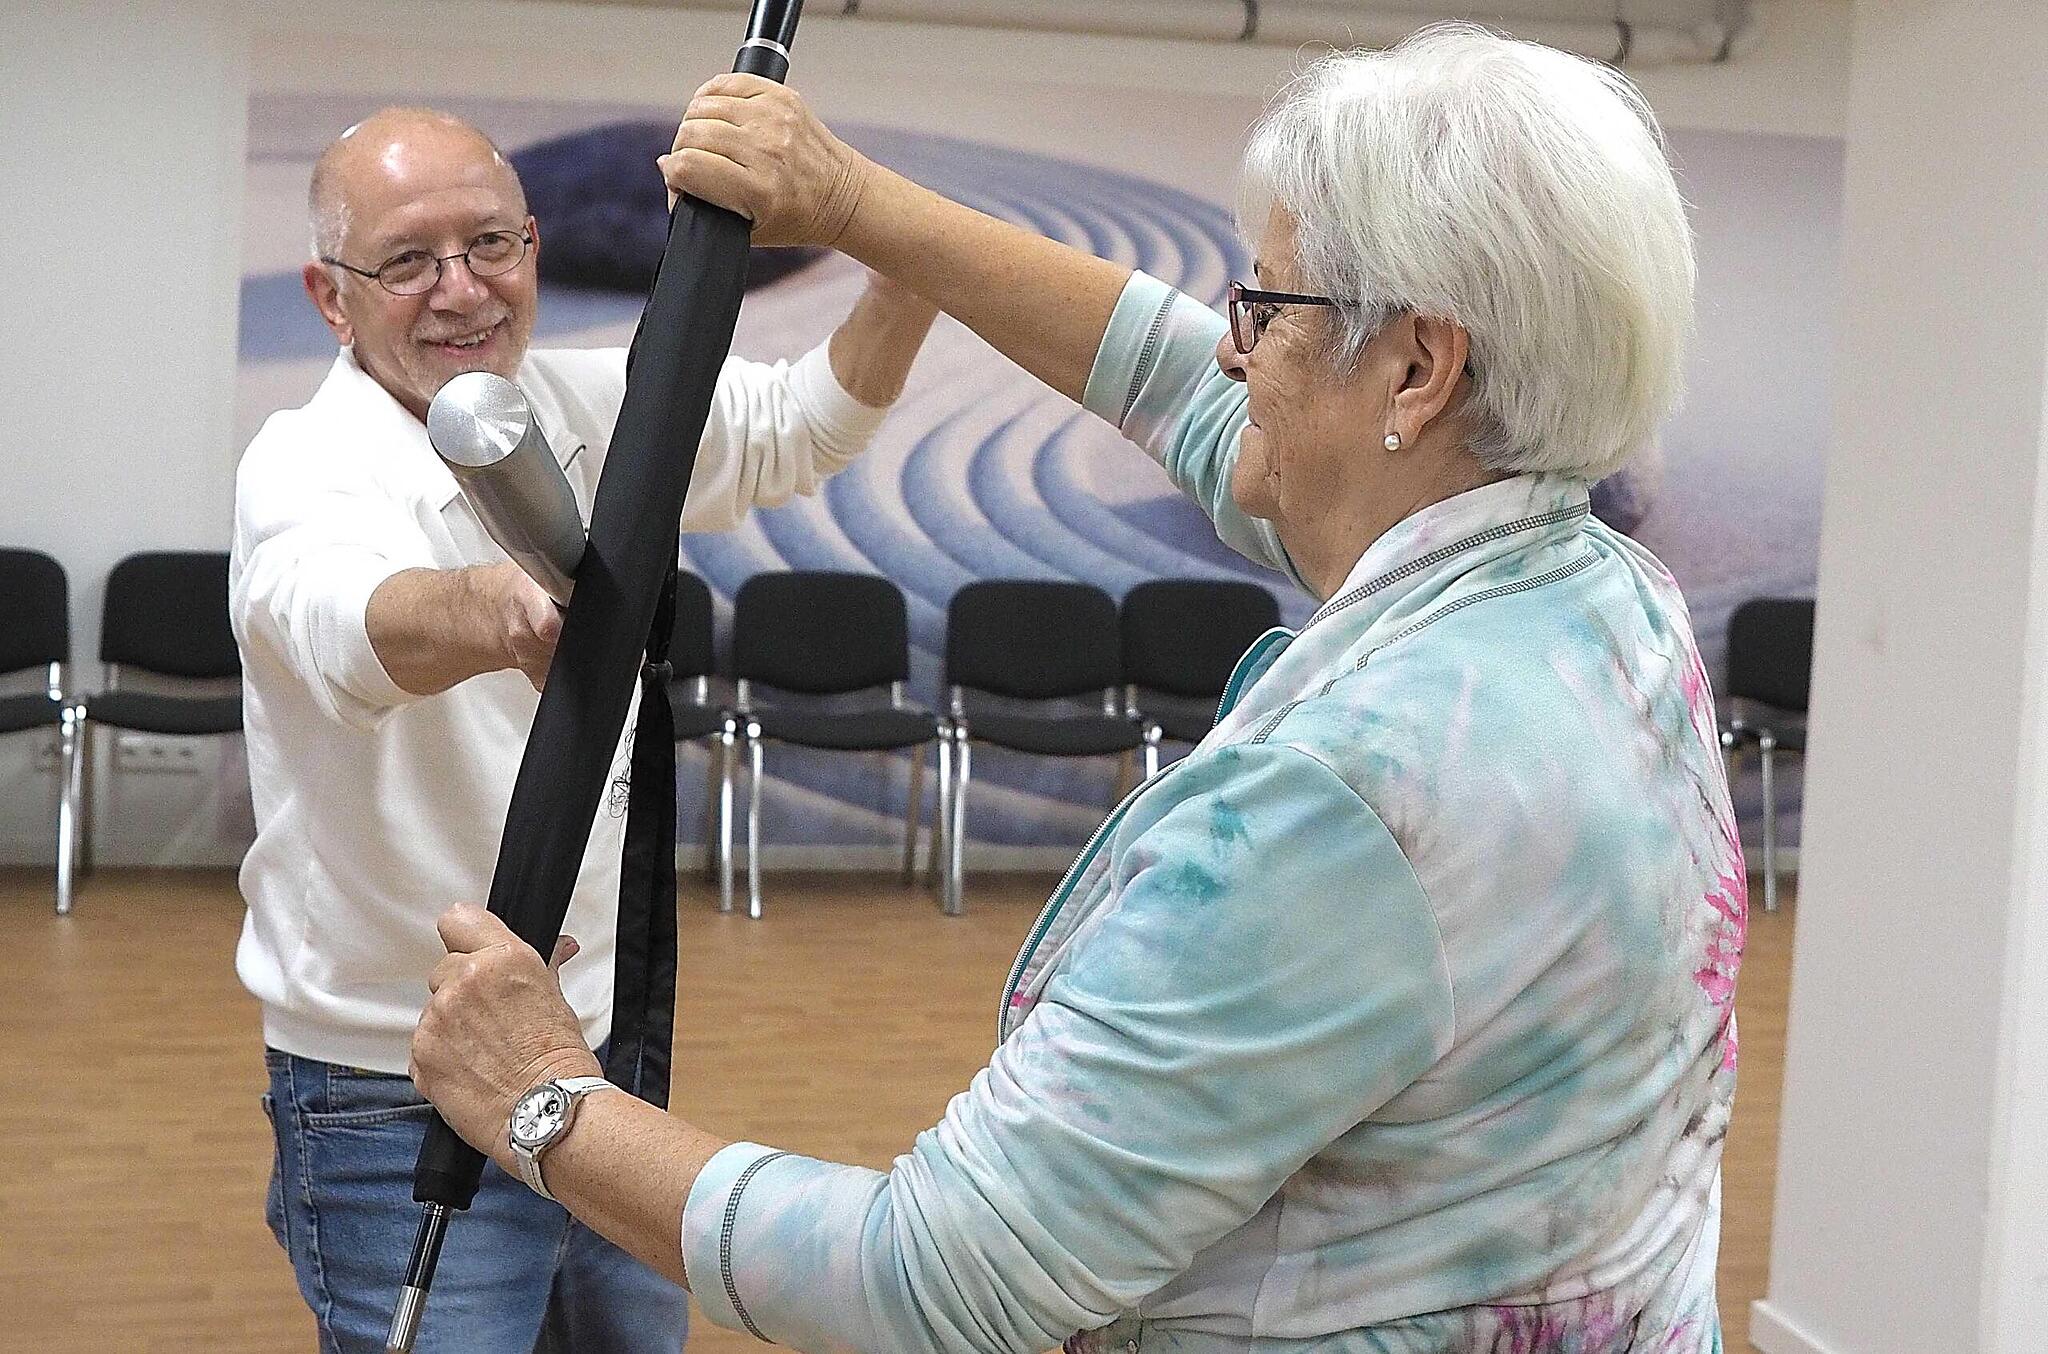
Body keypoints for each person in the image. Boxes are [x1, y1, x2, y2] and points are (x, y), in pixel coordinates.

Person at [411, 26, 1746, 1352]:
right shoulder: (1605, 602)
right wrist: (853, 201)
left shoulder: (1347, 800)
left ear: (1416, 368)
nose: (1230, 350)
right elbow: (1175, 377)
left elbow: (933, 1276)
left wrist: (542, 1097)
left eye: (1265, 308)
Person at [231, 105, 935, 1353]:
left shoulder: (589, 399)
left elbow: (800, 426)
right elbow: (339, 619)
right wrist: (495, 606)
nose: (461, 289)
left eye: (490, 244)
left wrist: (910, 268)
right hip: (388, 1083)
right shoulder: (303, 463)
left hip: (591, 1052)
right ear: (330, 298)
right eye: (407, 261)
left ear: (536, 246)